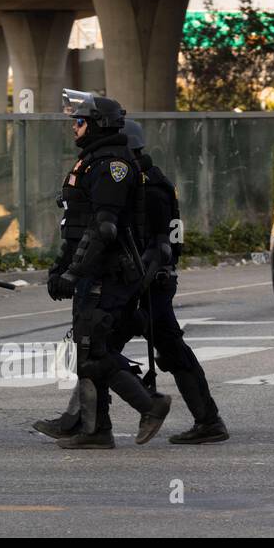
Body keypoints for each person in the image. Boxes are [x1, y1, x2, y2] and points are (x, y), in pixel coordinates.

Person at [37, 120, 228, 444]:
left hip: (148, 286)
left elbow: (160, 245)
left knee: (148, 350)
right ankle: (84, 422)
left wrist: (138, 287)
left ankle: (204, 419)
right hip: (132, 282)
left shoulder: (149, 185)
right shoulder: (135, 179)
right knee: (97, 349)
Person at [44, 91, 171, 449]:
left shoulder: (112, 166)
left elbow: (104, 229)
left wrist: (75, 272)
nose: (75, 128)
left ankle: (150, 405)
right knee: (87, 352)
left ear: (98, 124)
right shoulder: (92, 161)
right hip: (91, 272)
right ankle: (95, 429)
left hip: (108, 273)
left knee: (95, 350)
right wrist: (61, 267)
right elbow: (76, 225)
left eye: (80, 122)